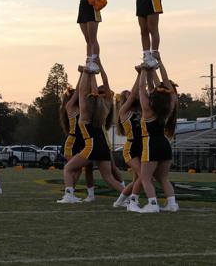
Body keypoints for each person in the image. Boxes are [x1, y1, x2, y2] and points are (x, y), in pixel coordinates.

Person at [59, 67, 123, 203]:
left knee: (71, 169)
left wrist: (85, 73)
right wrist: (89, 73)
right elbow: (81, 93)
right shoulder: (94, 110)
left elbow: (80, 92)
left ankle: (69, 194)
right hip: (85, 142)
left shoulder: (86, 112)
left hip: (90, 143)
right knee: (106, 176)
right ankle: (130, 196)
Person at [128, 59, 179, 213]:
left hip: (151, 145)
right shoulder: (169, 106)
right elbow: (166, 87)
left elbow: (141, 88)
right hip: (165, 145)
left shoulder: (148, 110)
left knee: (145, 177)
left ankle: (152, 204)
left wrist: (143, 70)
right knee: (163, 178)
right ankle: (172, 204)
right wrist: (157, 67)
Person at [113, 68, 144, 208]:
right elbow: (135, 92)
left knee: (138, 179)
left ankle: (119, 202)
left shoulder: (141, 109)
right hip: (131, 149)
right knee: (144, 175)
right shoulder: (124, 111)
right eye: (129, 94)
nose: (132, 94)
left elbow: (142, 91)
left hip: (143, 147)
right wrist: (140, 74)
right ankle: (133, 202)